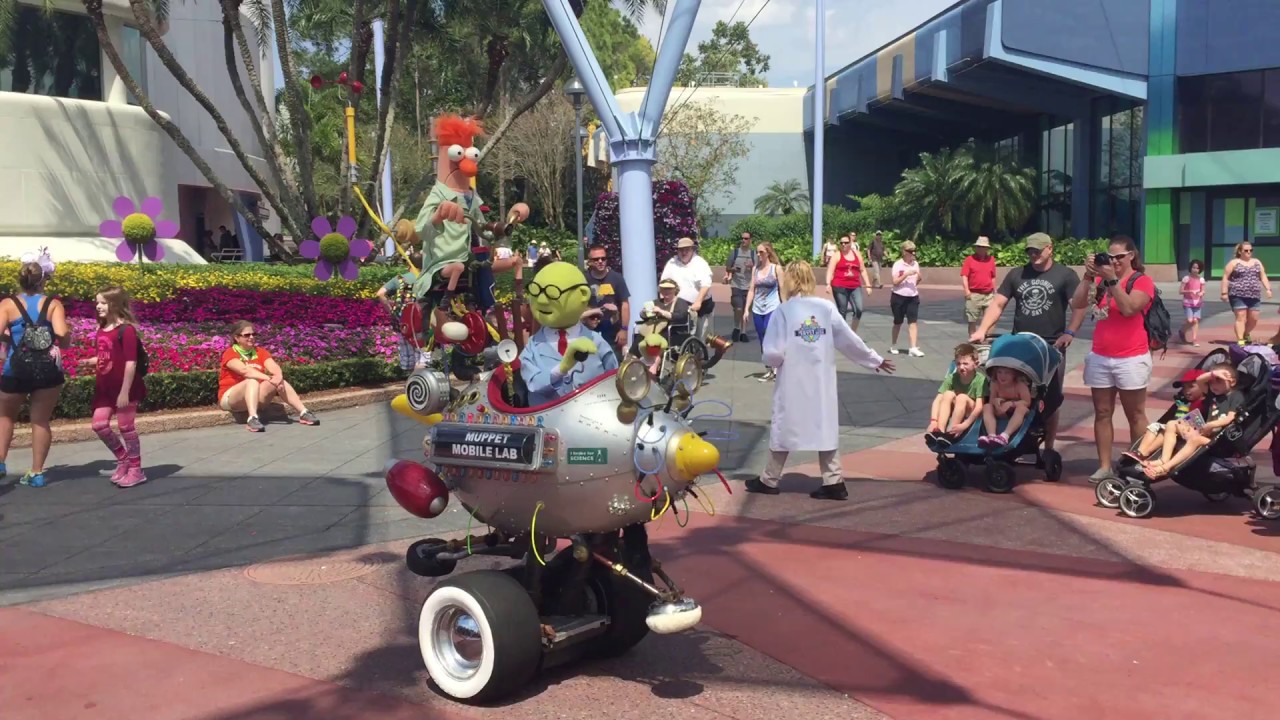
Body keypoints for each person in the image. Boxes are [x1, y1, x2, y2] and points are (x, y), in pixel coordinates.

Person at [745, 261, 895, 501]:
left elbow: (772, 353)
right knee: (823, 427)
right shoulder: (826, 308)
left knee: (784, 425)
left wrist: (773, 360)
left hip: (793, 380)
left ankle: (769, 479)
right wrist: (873, 360)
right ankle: (833, 480)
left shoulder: (783, 311)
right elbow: (848, 339)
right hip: (821, 381)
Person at [970, 232, 1084, 455]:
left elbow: (1078, 306)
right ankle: (1011, 437)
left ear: (1050, 249)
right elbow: (998, 304)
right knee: (1011, 391)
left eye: (1038, 251)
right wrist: (982, 330)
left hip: (1051, 347)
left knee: (1051, 398)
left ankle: (1048, 447)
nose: (1033, 255)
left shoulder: (1066, 275)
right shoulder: (1017, 274)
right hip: (1020, 345)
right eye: (1030, 251)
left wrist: (1070, 332)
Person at [1071, 235, 1155, 483]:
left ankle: (1138, 465)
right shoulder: (1099, 280)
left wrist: (1113, 280)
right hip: (1101, 355)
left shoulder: (1142, 281)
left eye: (1119, 257)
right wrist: (1087, 276)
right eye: (1110, 257)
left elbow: (1129, 308)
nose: (1114, 261)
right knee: (1102, 412)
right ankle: (1104, 466)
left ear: (1131, 256)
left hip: (1132, 356)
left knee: (1136, 414)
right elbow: (1077, 303)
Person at [0, 256, 69, 488]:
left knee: (5, 416)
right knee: (40, 421)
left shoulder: (7, 304)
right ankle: (36, 473)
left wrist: (9, 339)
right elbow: (60, 332)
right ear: (43, 281)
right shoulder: (53, 304)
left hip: (16, 368)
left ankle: (0, 462)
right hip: (47, 370)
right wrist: (66, 339)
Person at [520, 262, 619, 405]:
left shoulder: (596, 342)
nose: (541, 300)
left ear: (583, 294)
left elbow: (614, 379)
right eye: (536, 292)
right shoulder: (532, 347)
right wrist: (561, 369)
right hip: (548, 422)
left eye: (552, 292)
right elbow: (532, 382)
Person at [1141, 364, 1242, 479]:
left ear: (1232, 382)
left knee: (1195, 439)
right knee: (1171, 424)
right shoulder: (1213, 395)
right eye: (1211, 382)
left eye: (1218, 381)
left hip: (1218, 440)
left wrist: (1212, 424)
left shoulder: (1235, 396)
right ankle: (1163, 459)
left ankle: (1166, 468)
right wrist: (1214, 374)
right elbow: (1200, 380)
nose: (1213, 385)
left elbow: (1230, 418)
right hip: (1206, 432)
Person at [91, 286, 148, 488]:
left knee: (126, 427)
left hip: (126, 389)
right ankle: (123, 458)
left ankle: (136, 469)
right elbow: (110, 355)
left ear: (115, 304)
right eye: (97, 302)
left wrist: (125, 391)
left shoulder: (127, 330)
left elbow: (130, 362)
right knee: (99, 425)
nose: (98, 306)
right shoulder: (102, 329)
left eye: (103, 303)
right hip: (105, 388)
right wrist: (93, 360)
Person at [218, 321, 319, 432]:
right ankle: (252, 418)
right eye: (247, 335)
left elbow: (274, 367)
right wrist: (270, 378)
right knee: (252, 380)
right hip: (231, 398)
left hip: (256, 396)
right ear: (237, 338)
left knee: (280, 380)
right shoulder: (230, 353)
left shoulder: (260, 352)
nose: (251, 337)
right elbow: (245, 371)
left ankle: (304, 412)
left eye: (253, 334)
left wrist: (278, 377)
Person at [1123, 368, 1207, 464]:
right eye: (1184, 388)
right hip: (1181, 428)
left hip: (1192, 432)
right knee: (1155, 426)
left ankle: (1146, 453)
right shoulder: (1186, 403)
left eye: (1191, 387)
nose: (1186, 391)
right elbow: (1178, 418)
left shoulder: (1205, 401)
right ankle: (1140, 452)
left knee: (1168, 427)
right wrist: (1182, 408)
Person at [376, 252, 427, 373]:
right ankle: (421, 380)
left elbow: (380, 293)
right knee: (422, 351)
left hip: (403, 320)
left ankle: (411, 381)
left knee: (407, 351)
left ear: (408, 263)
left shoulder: (400, 279)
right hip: (421, 319)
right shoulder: (426, 278)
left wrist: (391, 310)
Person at [926, 343, 987, 444]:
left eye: (965, 364)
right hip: (957, 407)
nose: (961, 367)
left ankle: (950, 433)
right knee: (948, 394)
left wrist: (965, 425)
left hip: (971, 411)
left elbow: (979, 407)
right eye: (958, 364)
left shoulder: (980, 379)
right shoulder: (953, 377)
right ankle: (940, 431)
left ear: (976, 364)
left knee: (962, 397)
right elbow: (938, 400)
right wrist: (933, 421)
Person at [743, 242, 782, 382]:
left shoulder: (776, 268)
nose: (759, 255)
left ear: (768, 253)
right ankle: (768, 369)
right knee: (762, 337)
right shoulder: (756, 269)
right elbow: (752, 290)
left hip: (773, 306)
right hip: (758, 308)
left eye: (761, 252)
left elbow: (782, 289)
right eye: (757, 252)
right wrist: (746, 309)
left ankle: (777, 367)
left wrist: (786, 307)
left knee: (769, 332)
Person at [661, 237, 715, 338]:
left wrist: (698, 302)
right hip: (680, 307)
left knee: (701, 339)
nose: (684, 252)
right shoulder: (672, 263)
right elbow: (664, 283)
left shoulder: (699, 263)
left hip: (701, 306)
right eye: (681, 250)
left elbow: (705, 285)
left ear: (692, 250)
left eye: (687, 250)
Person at [1220, 242, 1272, 346]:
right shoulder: (1234, 263)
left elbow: (1263, 276)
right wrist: (1224, 292)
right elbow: (1225, 277)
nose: (1249, 252)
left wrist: (1268, 289)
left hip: (1254, 295)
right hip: (1237, 294)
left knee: (1254, 318)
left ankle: (1246, 333)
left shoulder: (1256, 262)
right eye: (1246, 250)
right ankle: (1240, 340)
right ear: (1240, 251)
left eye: (1250, 250)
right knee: (1241, 317)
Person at [584, 244, 630, 355]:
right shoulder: (584, 278)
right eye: (596, 259)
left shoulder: (616, 278)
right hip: (589, 329)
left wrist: (624, 329)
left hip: (612, 330)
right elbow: (579, 304)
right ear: (589, 262)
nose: (600, 261)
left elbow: (625, 304)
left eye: (603, 258)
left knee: (613, 365)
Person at [977, 367, 1032, 450]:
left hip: (1017, 413)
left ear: (1014, 374)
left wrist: (1012, 404)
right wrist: (996, 401)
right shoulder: (994, 384)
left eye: (1007, 373)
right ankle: (991, 435)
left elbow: (1027, 402)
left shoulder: (1020, 386)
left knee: (1022, 408)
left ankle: (1005, 435)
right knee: (987, 406)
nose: (1002, 376)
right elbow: (991, 401)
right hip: (1001, 410)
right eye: (999, 372)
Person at [826, 234, 873, 332]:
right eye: (841, 243)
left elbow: (863, 270)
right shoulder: (837, 255)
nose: (843, 245)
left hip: (855, 286)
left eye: (846, 243)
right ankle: (842, 333)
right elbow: (830, 270)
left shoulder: (857, 254)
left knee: (859, 309)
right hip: (839, 286)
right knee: (842, 311)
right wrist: (828, 284)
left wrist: (868, 285)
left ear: (850, 243)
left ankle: (852, 332)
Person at [889, 241, 924, 356]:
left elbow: (917, 281)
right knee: (898, 322)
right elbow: (895, 282)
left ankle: (913, 347)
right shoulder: (898, 264)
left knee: (913, 322)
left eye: (914, 251)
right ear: (904, 252)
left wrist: (919, 278)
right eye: (910, 251)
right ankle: (894, 344)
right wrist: (906, 274)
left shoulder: (915, 264)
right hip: (898, 296)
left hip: (912, 296)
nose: (912, 254)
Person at [724, 231, 757, 342]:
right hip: (736, 285)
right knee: (738, 307)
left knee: (746, 310)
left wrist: (752, 267)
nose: (744, 240)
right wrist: (733, 270)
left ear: (750, 240)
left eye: (746, 238)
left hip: (749, 286)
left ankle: (743, 332)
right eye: (742, 238)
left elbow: (758, 270)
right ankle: (736, 328)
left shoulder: (753, 254)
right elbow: (727, 267)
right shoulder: (734, 252)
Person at [961, 237, 997, 336]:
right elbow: (964, 276)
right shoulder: (969, 260)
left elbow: (993, 276)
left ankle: (987, 338)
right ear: (976, 248)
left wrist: (994, 291)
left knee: (991, 318)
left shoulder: (991, 260)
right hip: (974, 293)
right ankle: (973, 340)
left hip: (988, 294)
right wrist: (967, 291)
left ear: (987, 249)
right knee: (972, 319)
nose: (981, 249)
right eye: (979, 247)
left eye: (984, 247)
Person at [1179, 259, 1205, 347]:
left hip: (1197, 302)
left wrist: (1201, 293)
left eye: (1197, 268)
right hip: (1187, 302)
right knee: (1190, 320)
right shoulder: (1186, 278)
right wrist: (1189, 291)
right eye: (1194, 267)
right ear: (1190, 268)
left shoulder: (1201, 279)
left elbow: (1203, 291)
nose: (1195, 270)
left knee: (1195, 320)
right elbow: (1181, 291)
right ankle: (1182, 330)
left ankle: (1194, 339)